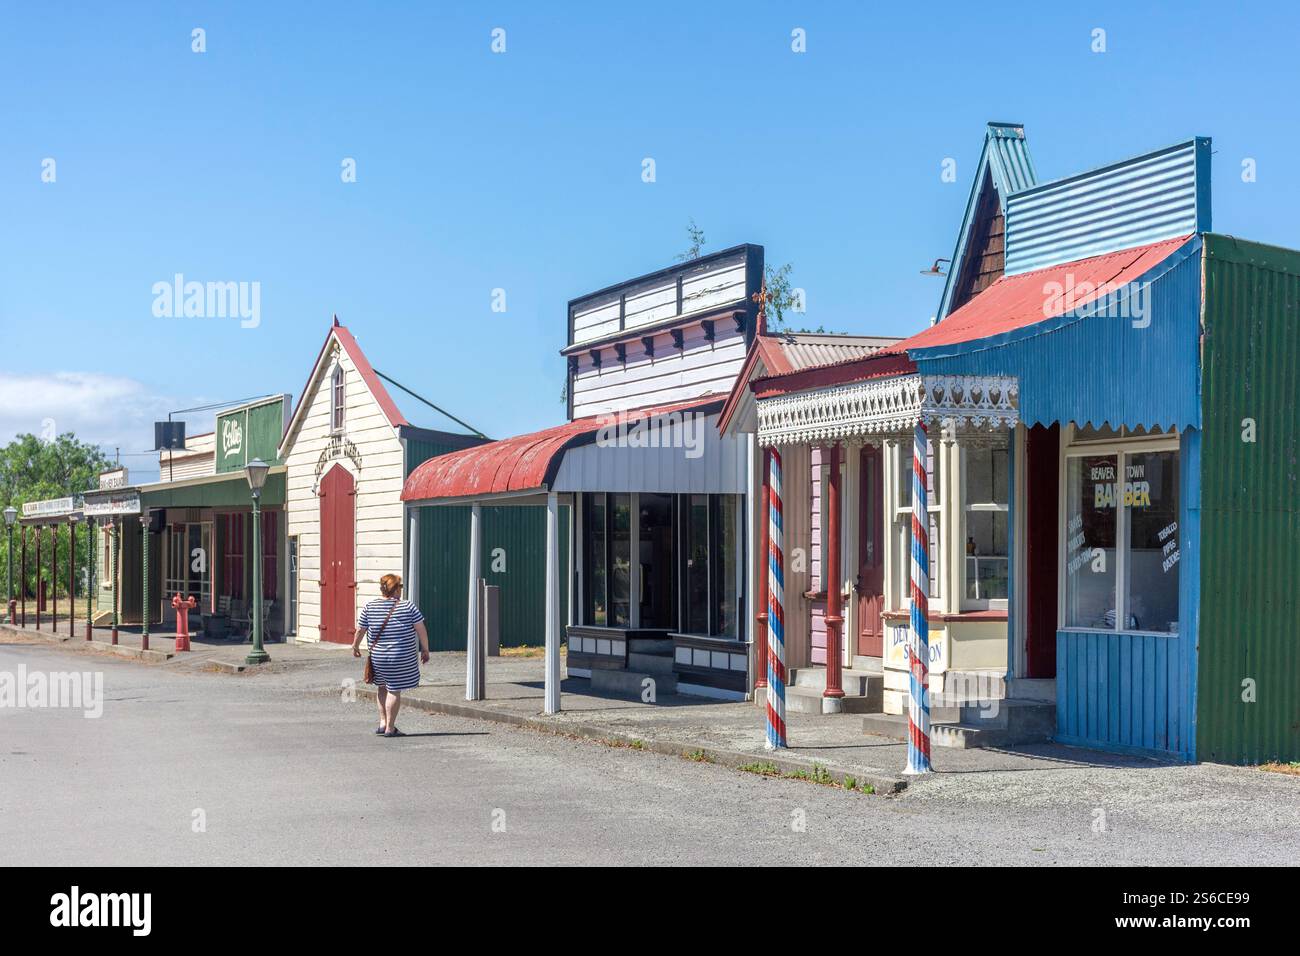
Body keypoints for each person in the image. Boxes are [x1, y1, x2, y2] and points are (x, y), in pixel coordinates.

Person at [352, 573, 429, 737]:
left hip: (377, 656)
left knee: (382, 687)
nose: (401, 590)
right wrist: (425, 649)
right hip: (401, 656)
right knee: (394, 689)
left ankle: (383, 722)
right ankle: (390, 727)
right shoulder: (408, 606)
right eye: (400, 587)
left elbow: (360, 630)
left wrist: (355, 646)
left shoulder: (370, 606)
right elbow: (421, 629)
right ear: (396, 590)